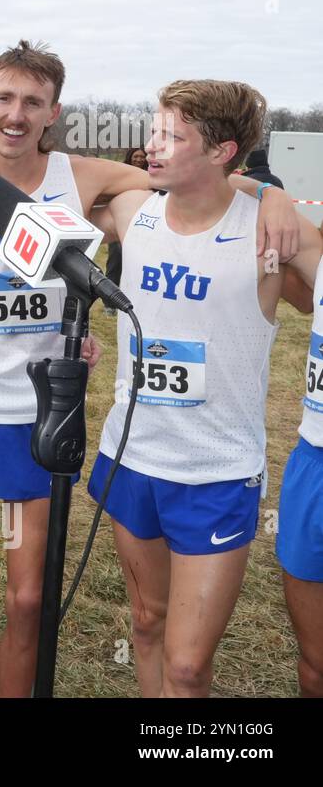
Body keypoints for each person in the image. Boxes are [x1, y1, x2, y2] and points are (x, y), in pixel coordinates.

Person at [0, 43, 299, 698]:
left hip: (41, 418)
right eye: (3, 98)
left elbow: (200, 179)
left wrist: (270, 195)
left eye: (32, 102)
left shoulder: (87, 179)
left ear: (53, 113)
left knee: (31, 594)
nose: (15, 114)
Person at [88, 80, 320, 697]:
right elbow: (63, 179)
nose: (152, 148)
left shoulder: (270, 234)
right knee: (145, 624)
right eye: (154, 131)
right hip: (131, 457)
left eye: (172, 137)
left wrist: (271, 195)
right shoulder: (132, 211)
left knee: (188, 665)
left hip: (216, 472)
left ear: (222, 150)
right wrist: (259, 184)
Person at [279, 222, 323, 697]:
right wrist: (271, 196)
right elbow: (231, 187)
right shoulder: (320, 262)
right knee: (315, 664)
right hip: (312, 467)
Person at [104, 147, 149, 309]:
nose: (138, 159)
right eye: (135, 156)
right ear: (130, 157)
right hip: (119, 224)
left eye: (142, 157)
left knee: (137, 264)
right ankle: (109, 302)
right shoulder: (121, 175)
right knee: (115, 262)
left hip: (143, 227)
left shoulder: (151, 176)